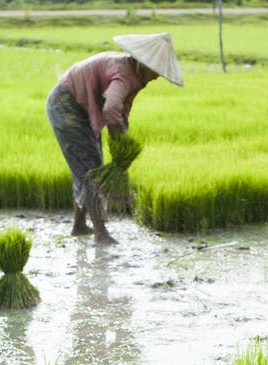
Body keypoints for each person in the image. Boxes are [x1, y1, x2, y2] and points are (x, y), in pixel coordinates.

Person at [46, 32, 183, 245]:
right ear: (142, 62)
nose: (157, 77)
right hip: (66, 105)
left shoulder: (132, 72)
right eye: (155, 71)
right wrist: (118, 141)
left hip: (76, 105)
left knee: (85, 166)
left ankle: (79, 226)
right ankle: (101, 234)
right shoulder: (125, 74)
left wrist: (121, 135)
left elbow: (117, 111)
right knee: (91, 170)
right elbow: (110, 108)